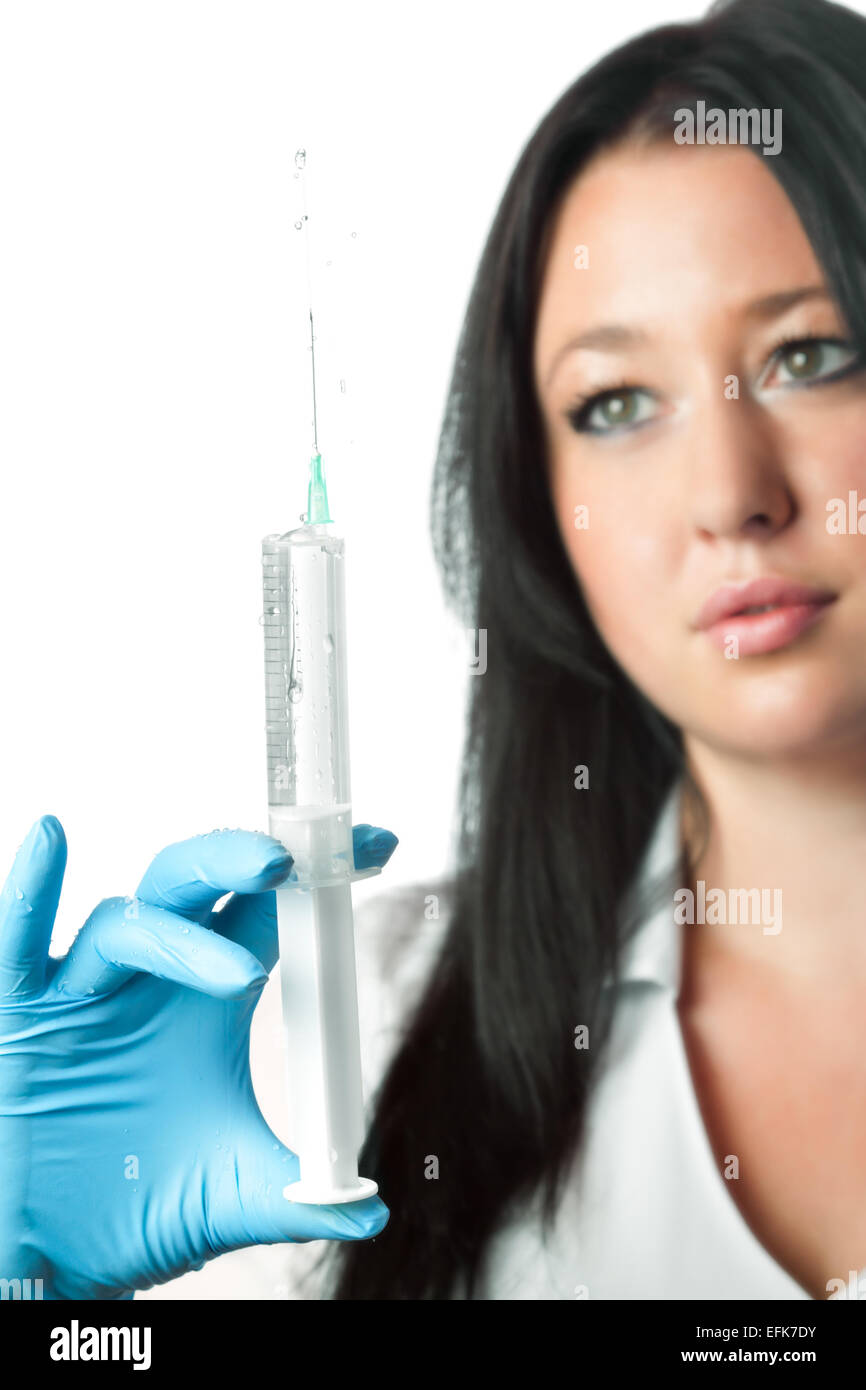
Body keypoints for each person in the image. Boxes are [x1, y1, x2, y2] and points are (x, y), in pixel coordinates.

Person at [4, 0, 866, 1302]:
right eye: (615, 404)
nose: (726, 494)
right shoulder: (346, 1057)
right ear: (534, 499)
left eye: (807, 353)